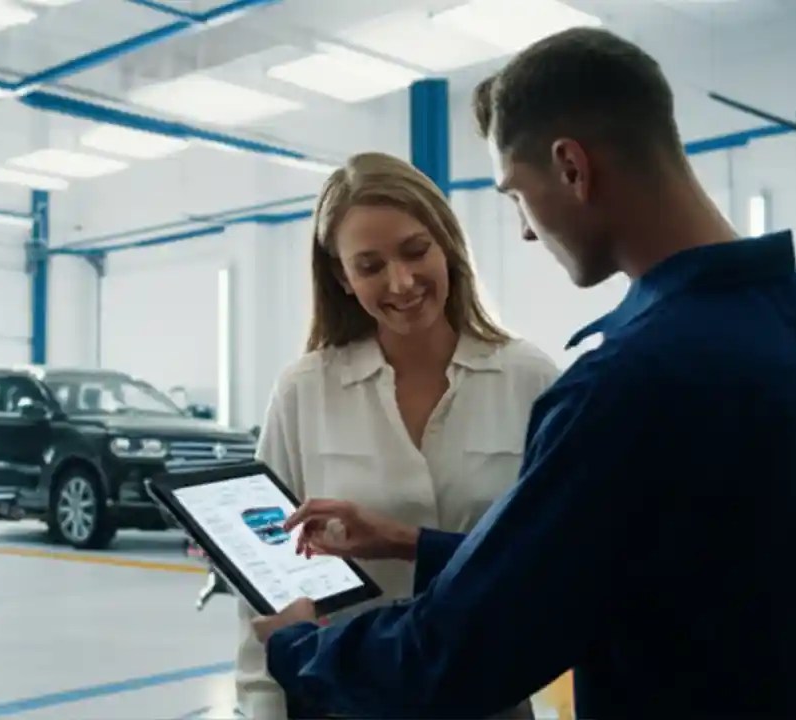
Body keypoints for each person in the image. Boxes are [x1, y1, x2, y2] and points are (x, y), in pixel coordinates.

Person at [249, 27, 796, 719]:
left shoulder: (625, 385)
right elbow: (636, 564)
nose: (527, 230)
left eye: (515, 194)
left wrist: (296, 646)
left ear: (570, 167)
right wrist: (409, 542)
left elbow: (462, 649)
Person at [235, 151, 561, 719]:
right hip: (341, 702)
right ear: (341, 275)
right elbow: (263, 577)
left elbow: (550, 564)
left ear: (448, 244)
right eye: (369, 265)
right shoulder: (304, 389)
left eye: (415, 252)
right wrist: (262, 709)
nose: (401, 282)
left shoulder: (528, 378)